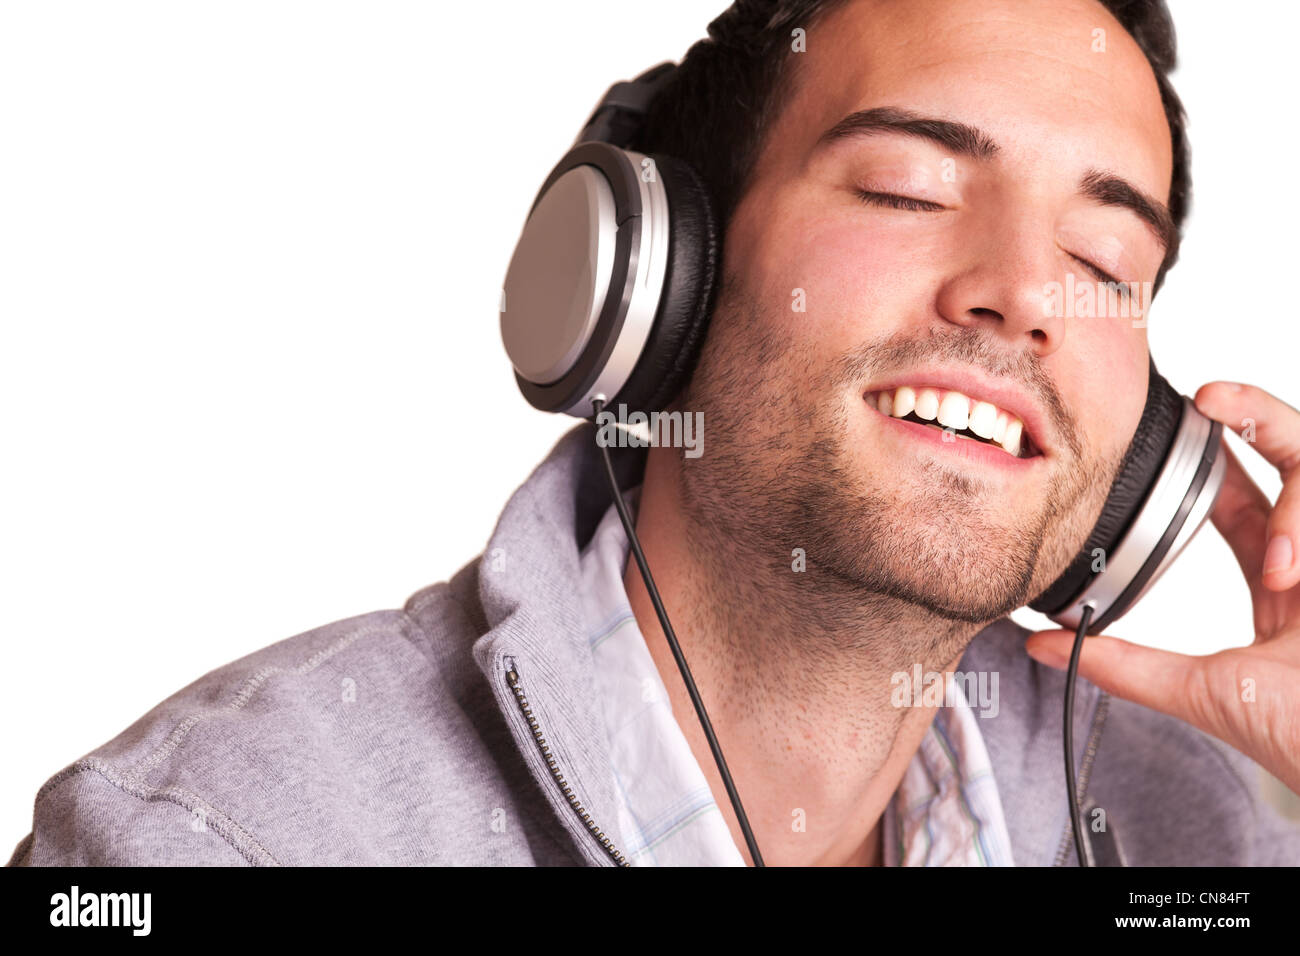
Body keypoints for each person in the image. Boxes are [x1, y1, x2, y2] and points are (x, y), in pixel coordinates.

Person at [11, 0, 1300, 867]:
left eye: (1101, 257)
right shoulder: (215, 841)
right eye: (910, 188)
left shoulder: (1209, 838)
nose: (1025, 294)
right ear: (653, 279)